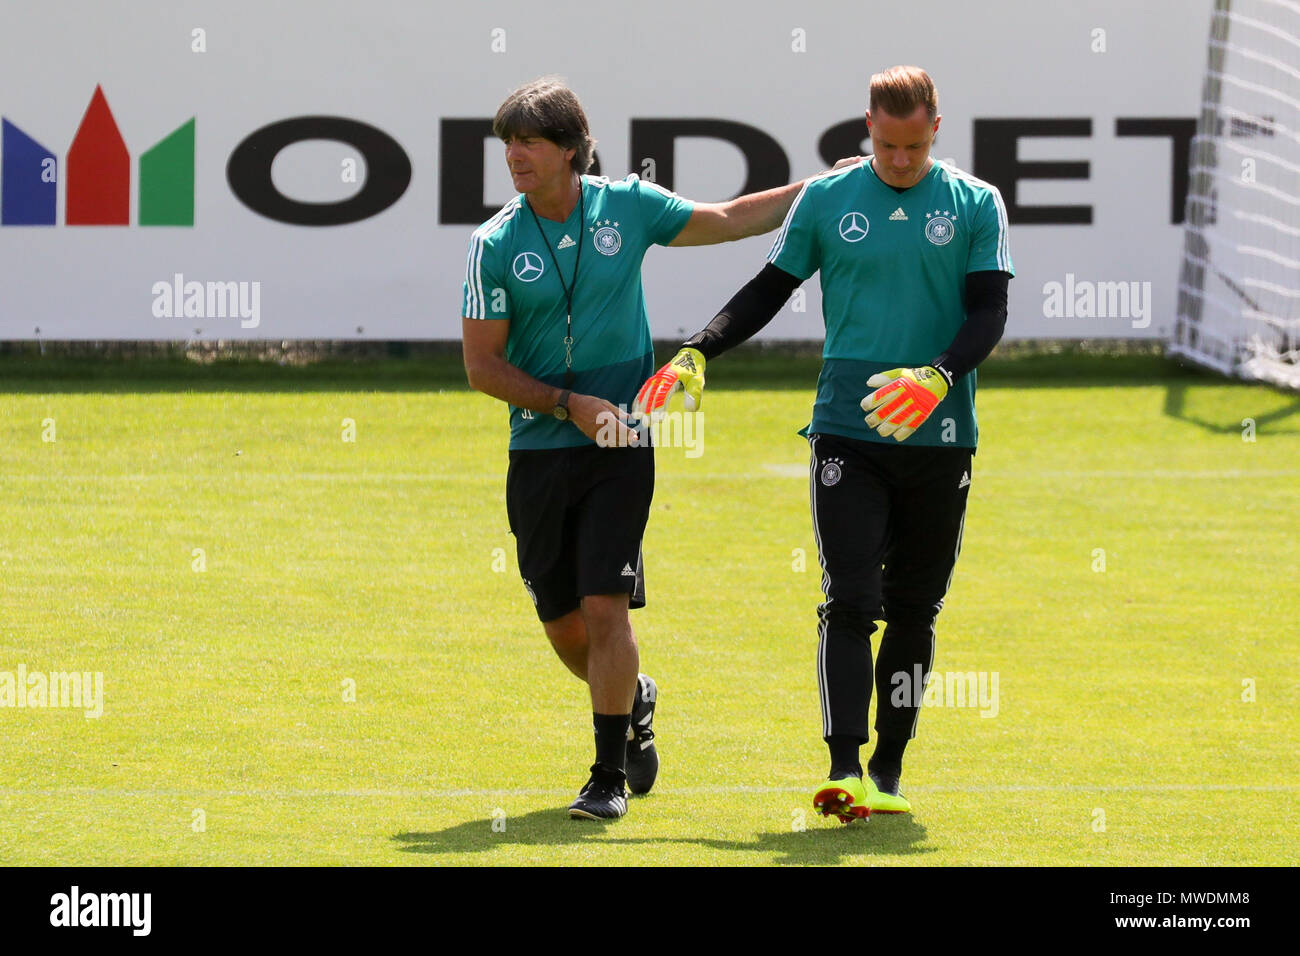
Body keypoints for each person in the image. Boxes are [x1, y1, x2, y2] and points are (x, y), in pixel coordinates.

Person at [462, 76, 848, 820]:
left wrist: (828, 186)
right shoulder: (494, 244)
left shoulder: (628, 207)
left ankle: (606, 777)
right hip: (540, 448)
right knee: (562, 622)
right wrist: (565, 403)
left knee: (607, 607)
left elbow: (733, 219)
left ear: (571, 149)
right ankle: (633, 700)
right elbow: (482, 368)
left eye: (530, 141)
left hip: (622, 442)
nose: (514, 154)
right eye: (508, 141)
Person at [635, 65, 1013, 822]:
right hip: (847, 427)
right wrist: (698, 349)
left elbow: (988, 311)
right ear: (867, 127)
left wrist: (939, 376)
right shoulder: (827, 199)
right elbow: (769, 287)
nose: (900, 161)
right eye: (888, 144)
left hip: (940, 434)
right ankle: (843, 768)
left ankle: (889, 773)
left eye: (913, 146)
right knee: (851, 598)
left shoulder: (976, 203)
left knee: (915, 609)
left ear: (936, 130)